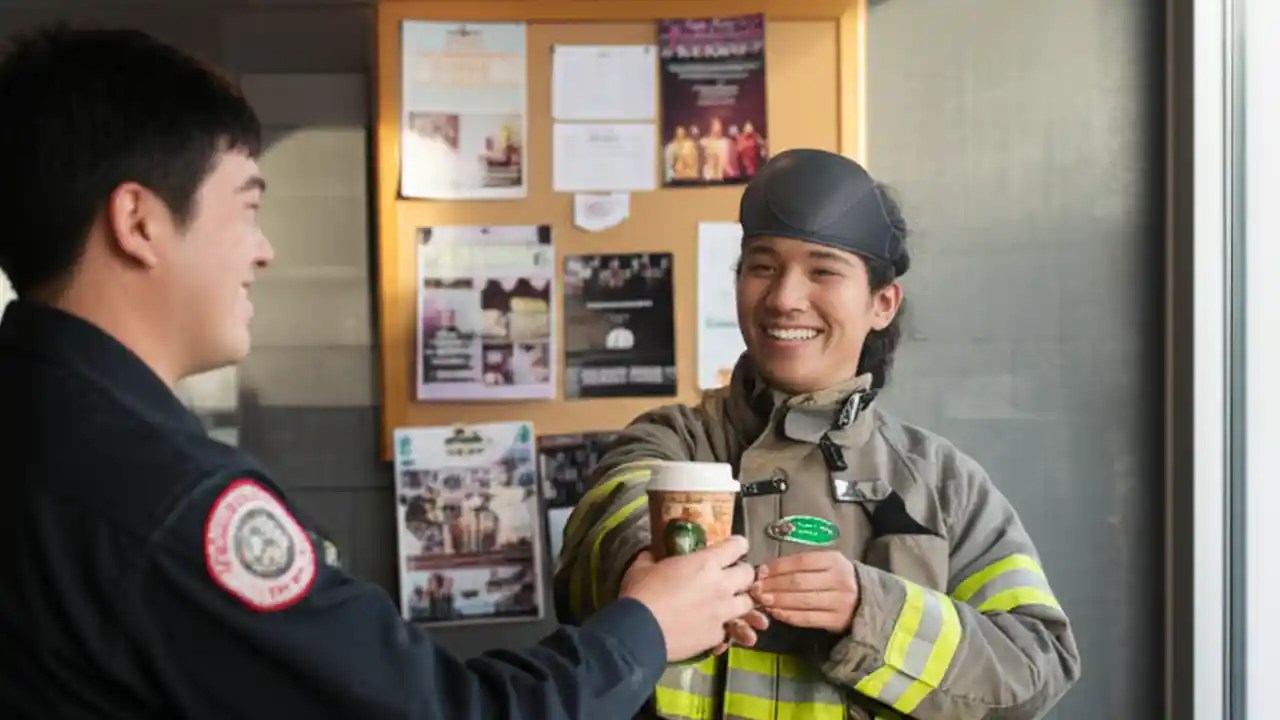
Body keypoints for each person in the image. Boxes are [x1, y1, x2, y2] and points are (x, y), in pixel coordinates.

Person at [0, 25, 759, 718]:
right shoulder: (170, 502)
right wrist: (647, 627)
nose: (263, 250)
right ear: (139, 222)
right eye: (247, 207)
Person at [555, 148, 1082, 719]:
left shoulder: (944, 486)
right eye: (762, 266)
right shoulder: (671, 442)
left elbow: (1035, 669)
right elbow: (600, 535)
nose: (783, 298)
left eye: (823, 270)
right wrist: (640, 570)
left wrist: (872, 612)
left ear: (882, 303)